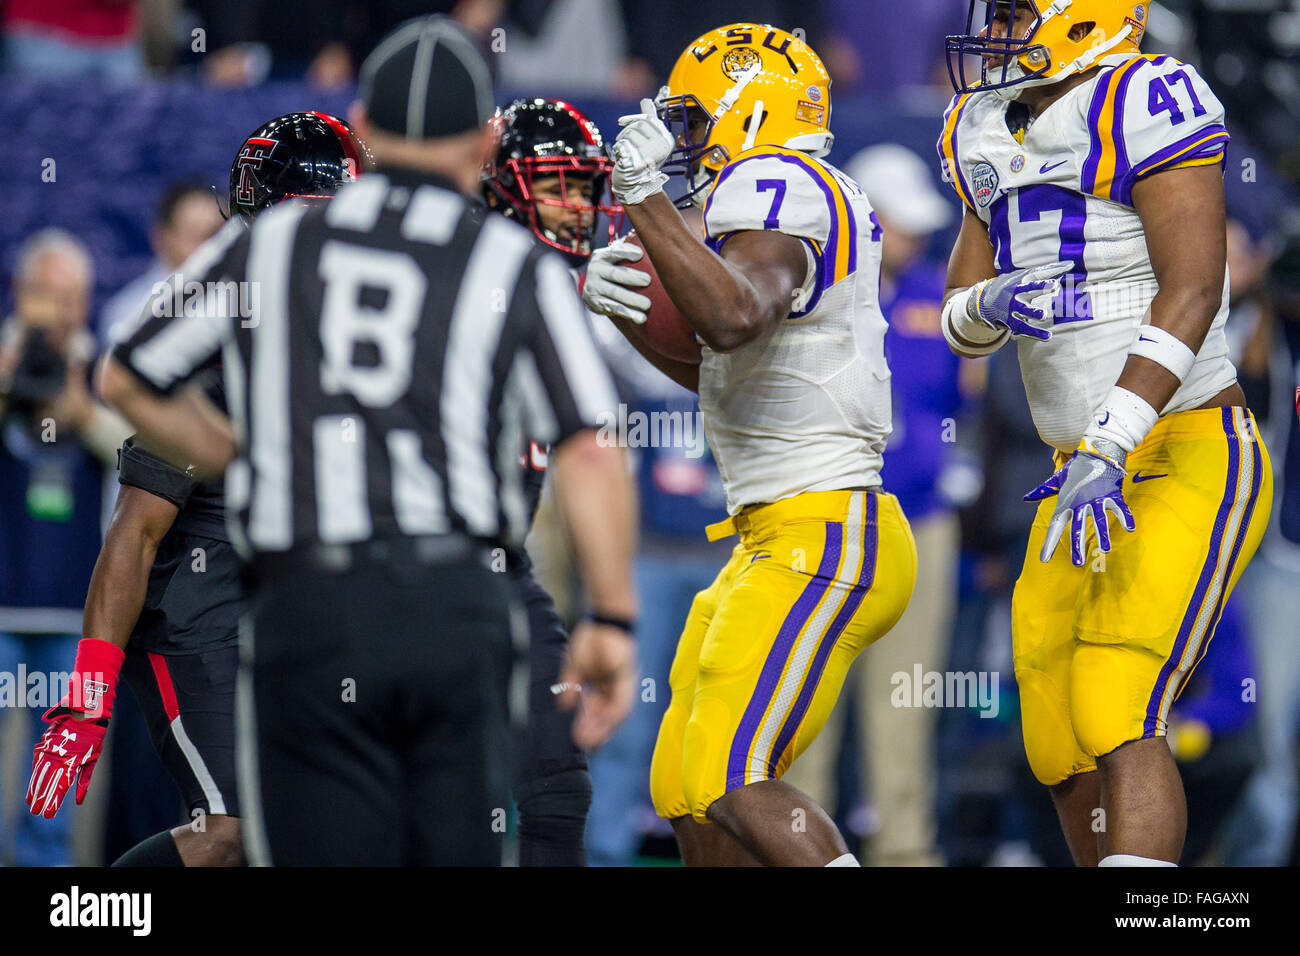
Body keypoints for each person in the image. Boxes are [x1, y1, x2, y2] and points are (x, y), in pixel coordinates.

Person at [99, 14, 638, 866]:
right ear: (480, 145)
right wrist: (611, 611)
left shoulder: (274, 242)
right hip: (457, 602)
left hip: (311, 604)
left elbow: (124, 375)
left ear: (369, 126)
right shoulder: (509, 262)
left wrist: (249, 457)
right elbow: (591, 446)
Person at [939, 0, 1272, 866]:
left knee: (1119, 700)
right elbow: (957, 320)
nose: (993, 31)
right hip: (1074, 466)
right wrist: (989, 302)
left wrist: (1110, 441)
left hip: (1184, 446)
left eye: (1012, 13)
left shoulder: (1144, 94)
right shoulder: (983, 127)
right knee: (1053, 734)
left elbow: (1194, 288)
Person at [582, 23, 916, 866]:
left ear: (746, 108)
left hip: (824, 529)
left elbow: (733, 318)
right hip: (784, 531)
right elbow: (720, 370)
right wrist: (627, 313)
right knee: (687, 791)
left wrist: (644, 196)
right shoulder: (789, 189)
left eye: (696, 119)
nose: (687, 140)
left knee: (732, 773)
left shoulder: (778, 179)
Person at [25, 113, 369, 867]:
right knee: (229, 829)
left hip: (292, 612)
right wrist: (88, 695)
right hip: (199, 614)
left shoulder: (356, 333)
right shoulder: (213, 339)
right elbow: (135, 529)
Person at [782, 143, 965, 866]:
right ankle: (800, 850)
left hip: (918, 521)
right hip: (824, 522)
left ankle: (905, 852)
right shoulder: (810, 294)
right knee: (806, 709)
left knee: (905, 703)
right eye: (901, 220)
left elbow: (965, 402)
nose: (915, 235)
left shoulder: (934, 297)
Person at [480, 96, 622, 866]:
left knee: (558, 786)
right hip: (417, 572)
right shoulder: (463, 280)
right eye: (554, 187)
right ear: (501, 187)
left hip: (506, 568)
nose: (576, 209)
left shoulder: (557, 288)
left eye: (583, 189)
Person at [0, 228, 131, 865]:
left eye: (70, 298)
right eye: (46, 296)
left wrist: (85, 414)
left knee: (52, 779)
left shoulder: (102, 368)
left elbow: (141, 456)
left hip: (71, 614)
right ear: (20, 295)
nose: (58, 314)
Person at [99, 182, 225, 348]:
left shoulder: (246, 300)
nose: (208, 247)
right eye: (195, 234)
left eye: (216, 234)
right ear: (161, 238)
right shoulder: (127, 315)